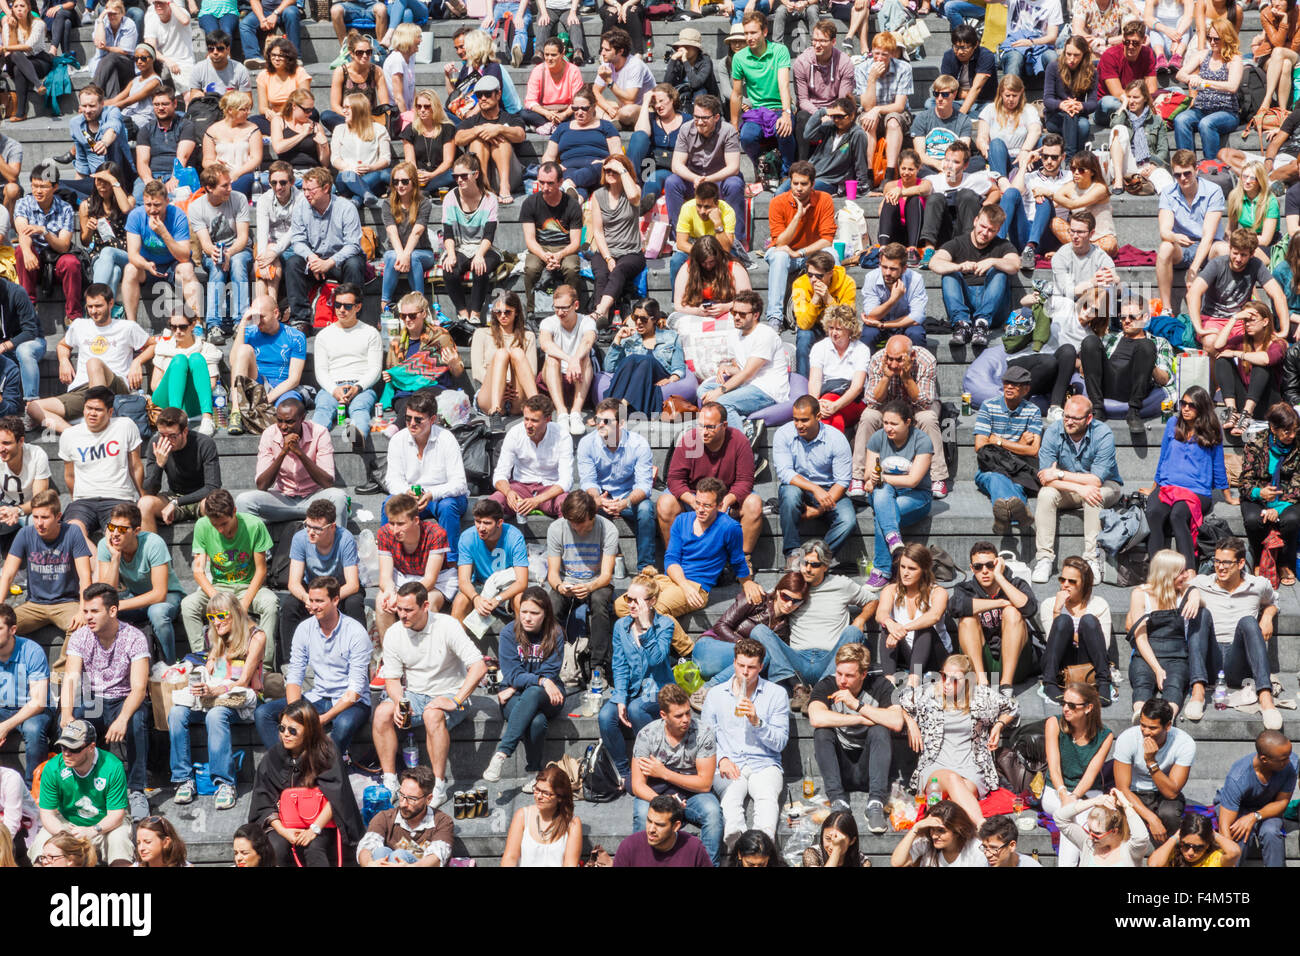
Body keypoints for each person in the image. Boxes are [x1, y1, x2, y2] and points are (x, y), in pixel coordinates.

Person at [373, 582, 486, 807]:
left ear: (425, 606)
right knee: (381, 712)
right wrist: (398, 701)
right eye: (399, 609)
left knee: (432, 715)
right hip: (415, 693)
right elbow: (392, 679)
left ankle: (438, 786)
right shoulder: (395, 633)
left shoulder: (447, 625)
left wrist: (456, 700)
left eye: (408, 610)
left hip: (451, 692)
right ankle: (390, 781)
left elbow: (479, 666)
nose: (402, 615)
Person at [59, 583, 150, 822]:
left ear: (112, 611)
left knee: (137, 720)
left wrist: (122, 719)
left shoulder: (134, 637)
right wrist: (67, 714)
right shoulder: (80, 636)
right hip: (94, 699)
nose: (87, 617)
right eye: (86, 611)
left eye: (94, 611)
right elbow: (70, 678)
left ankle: (137, 789)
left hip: (125, 698)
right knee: (74, 724)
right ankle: (82, 786)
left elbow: (140, 687)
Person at [255, 576, 370, 760]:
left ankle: (330, 768)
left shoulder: (356, 632)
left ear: (335, 600)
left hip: (351, 702)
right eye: (311, 600)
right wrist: (294, 711)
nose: (313, 606)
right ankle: (288, 765)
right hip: (317, 695)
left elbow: (355, 690)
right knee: (263, 713)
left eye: (320, 601)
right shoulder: (304, 628)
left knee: (343, 724)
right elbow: (295, 675)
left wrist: (324, 718)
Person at [168, 589, 264, 811]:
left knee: (216, 714)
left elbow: (245, 680)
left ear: (236, 613)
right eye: (212, 617)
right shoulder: (215, 635)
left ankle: (224, 783)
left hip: (241, 700)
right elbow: (210, 670)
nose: (216, 622)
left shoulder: (256, 637)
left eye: (221, 616)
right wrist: (203, 679)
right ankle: (183, 779)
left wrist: (216, 689)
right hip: (214, 697)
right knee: (177, 712)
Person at [900, 653, 1017, 828]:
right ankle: (980, 825)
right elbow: (902, 701)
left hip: (971, 766)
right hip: (936, 765)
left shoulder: (981, 697)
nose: (946, 683)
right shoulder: (929, 693)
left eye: (954, 680)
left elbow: (1012, 707)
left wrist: (999, 725)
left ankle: (943, 826)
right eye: (943, 676)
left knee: (956, 800)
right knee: (953, 779)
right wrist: (911, 723)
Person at [249, 698, 364, 868]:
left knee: (314, 847)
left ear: (308, 731)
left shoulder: (327, 754)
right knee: (274, 847)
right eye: (282, 728)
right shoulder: (272, 758)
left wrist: (313, 830)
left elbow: (337, 797)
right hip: (283, 824)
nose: (285, 734)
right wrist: (283, 831)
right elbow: (263, 802)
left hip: (321, 823)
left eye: (292, 730)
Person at [1183, 537, 1282, 728]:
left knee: (1248, 621)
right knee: (1201, 615)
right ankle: (1198, 692)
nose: (1220, 567)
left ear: (1241, 563)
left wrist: (1268, 616)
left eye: (1226, 562)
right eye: (1217, 561)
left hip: (1239, 661)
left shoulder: (1258, 584)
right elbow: (1175, 591)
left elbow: (1273, 601)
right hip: (1209, 659)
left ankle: (1266, 699)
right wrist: (1193, 594)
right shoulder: (1202, 583)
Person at [25, 285, 149, 436]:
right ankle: (73, 434)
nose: (93, 311)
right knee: (33, 408)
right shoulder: (79, 325)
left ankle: (99, 424)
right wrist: (64, 361)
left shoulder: (127, 327)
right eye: (89, 306)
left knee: (93, 362)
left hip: (115, 385)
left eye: (98, 306)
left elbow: (153, 345)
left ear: (110, 304)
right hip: (83, 389)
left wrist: (137, 362)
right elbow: (63, 344)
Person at [807, 642, 904, 833]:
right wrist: (861, 719)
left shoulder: (881, 685)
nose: (842, 680)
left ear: (863, 674)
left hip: (871, 767)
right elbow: (816, 718)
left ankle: (875, 803)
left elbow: (896, 722)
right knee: (822, 732)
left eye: (849, 675)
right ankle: (838, 801)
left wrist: (857, 705)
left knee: (880, 729)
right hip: (840, 768)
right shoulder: (827, 684)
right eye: (839, 673)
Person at [702, 637, 790, 842]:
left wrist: (757, 721)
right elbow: (706, 737)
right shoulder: (716, 694)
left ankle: (763, 845)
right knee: (731, 799)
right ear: (734, 663)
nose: (744, 672)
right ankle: (736, 845)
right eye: (740, 665)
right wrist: (721, 759)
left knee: (767, 798)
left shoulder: (776, 694)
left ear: (760, 667)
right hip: (729, 760)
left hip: (765, 762)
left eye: (751, 667)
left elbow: (780, 743)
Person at [628, 683, 723, 865]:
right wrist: (665, 803)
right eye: (679, 715)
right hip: (656, 791)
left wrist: (664, 773)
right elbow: (638, 785)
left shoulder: (703, 733)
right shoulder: (647, 736)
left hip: (692, 791)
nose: (686, 719)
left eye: (688, 712)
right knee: (642, 816)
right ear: (664, 715)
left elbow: (704, 783)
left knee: (713, 813)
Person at [1033, 394, 1123, 583]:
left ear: (1089, 418)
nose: (1069, 422)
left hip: (1107, 485)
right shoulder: (1053, 431)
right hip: (1069, 489)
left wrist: (1059, 475)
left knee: (1094, 495)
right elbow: (1044, 477)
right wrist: (1078, 488)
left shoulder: (1103, 433)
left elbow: (1096, 480)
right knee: (1046, 494)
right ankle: (1044, 559)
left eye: (1075, 418)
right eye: (1066, 416)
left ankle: (1091, 559)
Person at [181, 489, 278, 665]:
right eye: (215, 524)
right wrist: (217, 598)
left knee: (270, 604)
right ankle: (202, 658)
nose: (220, 529)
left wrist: (243, 604)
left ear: (234, 511)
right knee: (189, 605)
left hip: (247, 586)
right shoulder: (202, 526)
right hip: (218, 588)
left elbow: (261, 570)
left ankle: (265, 666)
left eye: (224, 523)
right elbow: (198, 571)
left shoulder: (253, 525)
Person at [600, 568, 677, 789]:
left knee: (636, 710)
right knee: (606, 716)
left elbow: (657, 659)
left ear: (651, 601)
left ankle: (656, 765)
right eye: (628, 598)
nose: (631, 604)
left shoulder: (665, 625)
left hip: (659, 689)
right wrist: (620, 697)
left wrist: (645, 627)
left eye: (637, 601)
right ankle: (624, 771)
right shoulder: (621, 626)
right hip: (632, 690)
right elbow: (620, 665)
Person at [659, 402, 764, 560]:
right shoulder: (690, 439)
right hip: (693, 496)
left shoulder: (739, 441)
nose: (704, 432)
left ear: (724, 425)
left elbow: (745, 481)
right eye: (701, 426)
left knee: (754, 504)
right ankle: (675, 559)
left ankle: (743, 559)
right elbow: (674, 480)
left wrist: (727, 501)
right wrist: (695, 501)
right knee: (665, 503)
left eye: (710, 427)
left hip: (726, 497)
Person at [483, 587, 566, 785]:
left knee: (536, 691)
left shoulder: (555, 633)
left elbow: (549, 673)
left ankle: (502, 752)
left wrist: (518, 685)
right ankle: (534, 772)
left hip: (550, 696)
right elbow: (512, 673)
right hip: (517, 698)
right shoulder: (508, 633)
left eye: (534, 613)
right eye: (524, 612)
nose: (527, 618)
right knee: (536, 721)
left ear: (545, 614)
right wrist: (539, 681)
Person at [851, 336, 949, 499]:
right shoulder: (877, 360)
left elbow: (924, 402)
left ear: (912, 357)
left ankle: (937, 478)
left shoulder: (926, 360)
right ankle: (858, 476)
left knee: (928, 418)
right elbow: (873, 401)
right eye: (890, 358)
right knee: (868, 416)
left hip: (916, 408)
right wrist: (886, 377)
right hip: (888, 408)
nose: (894, 364)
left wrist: (906, 377)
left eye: (898, 360)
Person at [27, 719, 133, 866]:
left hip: (104, 825)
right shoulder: (52, 768)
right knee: (42, 841)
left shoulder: (112, 766)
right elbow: (47, 814)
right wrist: (64, 834)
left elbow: (116, 814)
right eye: (63, 747)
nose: (67, 753)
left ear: (91, 747)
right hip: (67, 824)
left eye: (74, 749)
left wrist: (93, 830)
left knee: (118, 839)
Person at [1146, 385, 1230, 567]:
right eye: (1183, 403)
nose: (1185, 408)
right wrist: (1154, 487)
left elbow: (1218, 465)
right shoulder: (1172, 424)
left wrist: (1227, 496)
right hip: (1168, 486)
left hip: (1196, 490)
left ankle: (1189, 571)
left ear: (1201, 407)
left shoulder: (1213, 430)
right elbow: (1163, 458)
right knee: (1153, 512)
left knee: (1178, 515)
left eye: (1191, 405)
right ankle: (1156, 572)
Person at [234, 397, 349, 529]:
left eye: (289, 422)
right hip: (282, 499)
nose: (283, 427)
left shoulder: (320, 432)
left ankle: (338, 548)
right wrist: (283, 452)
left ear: (302, 418)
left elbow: (327, 482)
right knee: (243, 501)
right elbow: (262, 485)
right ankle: (260, 549)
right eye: (279, 421)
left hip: (315, 499)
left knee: (339, 497)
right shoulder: (269, 434)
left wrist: (299, 452)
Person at [95, 502, 183, 663]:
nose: (114, 533)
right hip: (135, 596)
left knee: (157, 614)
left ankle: (169, 667)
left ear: (136, 531)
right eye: (111, 527)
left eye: (122, 529)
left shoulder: (153, 543)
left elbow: (159, 594)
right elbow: (106, 592)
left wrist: (119, 606)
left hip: (167, 596)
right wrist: (115, 558)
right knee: (100, 613)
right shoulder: (105, 545)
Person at [691, 570, 808, 691]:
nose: (789, 604)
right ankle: (707, 689)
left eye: (796, 601)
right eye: (785, 597)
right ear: (778, 591)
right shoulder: (757, 598)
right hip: (710, 647)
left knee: (761, 659)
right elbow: (721, 625)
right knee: (761, 655)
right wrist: (744, 644)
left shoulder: (785, 627)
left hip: (735, 663)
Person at [282, 167, 366, 334]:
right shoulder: (300, 208)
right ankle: (300, 319)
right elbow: (297, 240)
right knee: (293, 263)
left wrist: (329, 263)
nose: (306, 194)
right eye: (303, 189)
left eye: (310, 190)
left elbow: (353, 245)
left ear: (326, 188)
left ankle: (351, 317)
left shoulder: (346, 207)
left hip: (339, 262)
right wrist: (311, 258)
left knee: (355, 263)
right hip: (314, 261)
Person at [695, 290, 790, 437]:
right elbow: (740, 369)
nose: (737, 317)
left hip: (767, 390)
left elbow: (748, 372)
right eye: (734, 312)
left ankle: (742, 444)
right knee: (704, 389)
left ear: (756, 315)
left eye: (742, 314)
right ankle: (743, 422)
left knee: (723, 401)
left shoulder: (765, 334)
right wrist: (727, 368)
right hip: (747, 386)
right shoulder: (735, 334)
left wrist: (720, 391)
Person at [56, 385, 143, 545]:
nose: (92, 413)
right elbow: (69, 475)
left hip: (119, 497)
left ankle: (103, 566)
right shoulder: (70, 435)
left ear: (110, 412)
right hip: (83, 500)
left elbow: (135, 466)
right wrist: (76, 499)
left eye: (98, 409)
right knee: (73, 533)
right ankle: (97, 565)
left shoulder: (125, 426)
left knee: (116, 537)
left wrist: (142, 497)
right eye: (89, 408)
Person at [0, 490, 91, 641]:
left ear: (58, 517)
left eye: (45, 517)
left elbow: (85, 577)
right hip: (34, 605)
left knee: (82, 628)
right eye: (35, 517)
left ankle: (63, 666)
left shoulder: (73, 532)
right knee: (3, 627)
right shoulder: (25, 533)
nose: (39, 523)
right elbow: (8, 575)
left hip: (66, 603)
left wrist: (82, 611)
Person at [949, 542, 1039, 693]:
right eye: (978, 567)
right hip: (982, 664)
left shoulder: (1015, 584)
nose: (984, 571)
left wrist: (999, 577)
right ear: (972, 569)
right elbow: (954, 607)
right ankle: (981, 684)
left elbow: (1029, 608)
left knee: (1012, 612)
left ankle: (1006, 685)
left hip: (1016, 665)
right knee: (967, 619)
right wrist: (1001, 602)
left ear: (997, 564)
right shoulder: (965, 589)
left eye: (990, 565)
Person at [773, 395, 854, 559]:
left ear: (818, 417)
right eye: (795, 420)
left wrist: (818, 510)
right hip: (799, 488)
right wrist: (814, 488)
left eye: (804, 420)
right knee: (789, 494)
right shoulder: (783, 434)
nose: (799, 425)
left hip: (830, 490)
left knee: (847, 520)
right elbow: (784, 472)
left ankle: (817, 559)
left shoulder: (836, 439)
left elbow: (842, 481)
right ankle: (793, 554)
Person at [666, 94, 748, 255]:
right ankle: (679, 240)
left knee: (734, 183)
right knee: (671, 182)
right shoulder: (686, 128)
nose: (699, 122)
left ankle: (736, 242)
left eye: (705, 118)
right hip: (694, 178)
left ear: (716, 117)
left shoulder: (728, 131)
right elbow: (676, 165)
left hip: (719, 179)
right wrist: (695, 178)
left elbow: (733, 167)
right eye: (696, 117)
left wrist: (708, 180)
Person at [282, 499, 365, 658]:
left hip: (340, 588)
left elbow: (353, 584)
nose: (311, 532)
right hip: (313, 588)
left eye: (317, 529)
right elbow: (293, 583)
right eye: (308, 525)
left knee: (355, 603)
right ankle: (289, 662)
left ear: (332, 527)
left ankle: (360, 658)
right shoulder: (300, 538)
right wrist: (308, 599)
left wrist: (326, 601)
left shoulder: (345, 539)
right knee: (289, 606)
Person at [930, 203, 1020, 347]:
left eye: (991, 230)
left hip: (993, 309)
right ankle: (962, 324)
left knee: (999, 271)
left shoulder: (1003, 245)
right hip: (965, 303)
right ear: (975, 221)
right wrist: (959, 266)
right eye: (983, 226)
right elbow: (934, 263)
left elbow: (1015, 265)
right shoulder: (958, 243)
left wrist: (993, 261)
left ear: (998, 230)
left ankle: (981, 324)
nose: (985, 233)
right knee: (949, 273)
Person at [545, 490, 615, 671]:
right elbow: (552, 574)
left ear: (592, 516)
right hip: (567, 581)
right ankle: (553, 659)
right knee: (551, 603)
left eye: (581, 524)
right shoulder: (557, 528)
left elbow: (606, 575)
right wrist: (560, 586)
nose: (576, 528)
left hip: (596, 582)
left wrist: (589, 586)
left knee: (600, 603)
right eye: (572, 523)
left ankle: (598, 664)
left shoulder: (607, 529)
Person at [1081, 294, 1175, 428]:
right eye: (1123, 317)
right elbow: (1087, 370)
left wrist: (1148, 364)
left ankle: (1134, 411)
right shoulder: (1109, 339)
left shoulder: (1159, 343)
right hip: (1107, 383)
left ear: (1145, 317)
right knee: (1090, 341)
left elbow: (1165, 379)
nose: (1126, 321)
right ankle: (1097, 408)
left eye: (1132, 317)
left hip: (1134, 386)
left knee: (1146, 345)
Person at [1187, 230, 1290, 350]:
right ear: (1230, 249)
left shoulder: (1256, 265)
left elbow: (1278, 295)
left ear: (1251, 254)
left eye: (1243, 255)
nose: (1238, 259)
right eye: (1235, 253)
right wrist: (1199, 328)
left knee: (1277, 344)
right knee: (1211, 342)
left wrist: (1284, 331)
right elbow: (1193, 294)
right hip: (1214, 319)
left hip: (1241, 319)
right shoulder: (1217, 264)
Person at [1112, 698, 1196, 845]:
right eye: (1142, 725)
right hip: (1133, 793)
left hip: (1163, 794)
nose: (1146, 732)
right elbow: (1122, 788)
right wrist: (1152, 818)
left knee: (1169, 814)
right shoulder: (1127, 738)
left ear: (1168, 726)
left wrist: (1151, 762)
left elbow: (1171, 792)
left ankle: (1170, 856)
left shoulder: (1184, 743)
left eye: (1152, 728)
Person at [972, 364, 1044, 534]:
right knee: (998, 478)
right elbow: (980, 446)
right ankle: (1019, 514)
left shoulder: (1033, 411)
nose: (1009, 387)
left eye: (1016, 384)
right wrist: (1019, 443)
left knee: (1015, 482)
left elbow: (1034, 451)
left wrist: (998, 441)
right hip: (989, 467)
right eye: (1006, 383)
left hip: (1018, 470)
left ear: (1026, 389)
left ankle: (1003, 520)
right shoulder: (988, 406)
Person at [763, 162, 836, 329]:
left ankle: (832, 311)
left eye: (804, 184)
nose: (799, 188)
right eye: (795, 183)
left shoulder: (824, 199)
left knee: (832, 253)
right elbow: (780, 243)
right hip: (785, 253)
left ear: (812, 184)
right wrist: (798, 216)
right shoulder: (778, 202)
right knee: (779, 255)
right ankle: (775, 317)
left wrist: (801, 252)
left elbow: (827, 239)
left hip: (810, 254)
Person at [120, 177, 202, 325]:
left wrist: (164, 232)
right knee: (130, 269)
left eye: (157, 204)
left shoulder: (178, 215)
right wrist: (146, 265)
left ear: (167, 201)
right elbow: (133, 255)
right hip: (147, 266)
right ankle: (131, 326)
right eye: (148, 204)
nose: (152, 210)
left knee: (187, 268)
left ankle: (197, 324)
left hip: (173, 265)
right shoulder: (136, 216)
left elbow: (184, 256)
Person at [310, 283, 383, 442]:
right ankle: (313, 443)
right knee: (323, 408)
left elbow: (375, 369)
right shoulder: (323, 335)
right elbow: (321, 371)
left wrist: (357, 387)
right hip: (332, 386)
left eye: (347, 306)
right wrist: (334, 389)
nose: (341, 309)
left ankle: (356, 437)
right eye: (338, 305)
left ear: (358, 307)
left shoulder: (370, 333)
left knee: (360, 408)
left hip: (361, 386)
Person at [1156, 151, 1227, 312]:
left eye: (1187, 173)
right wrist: (1174, 236)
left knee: (1224, 250)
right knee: (1165, 247)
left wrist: (1193, 270)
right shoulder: (1168, 192)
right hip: (1183, 245)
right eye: (1177, 175)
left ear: (1196, 170)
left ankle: (1221, 306)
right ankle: (1167, 308)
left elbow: (1208, 236)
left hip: (1209, 246)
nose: (1182, 178)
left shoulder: (1213, 190)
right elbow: (1164, 232)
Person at [1127, 549, 1193, 721]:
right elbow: (1140, 637)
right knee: (1142, 682)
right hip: (1146, 652)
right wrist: (1157, 669)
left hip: (1177, 655)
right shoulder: (1140, 594)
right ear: (1167, 574)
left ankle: (1167, 718)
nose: (1186, 575)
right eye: (1181, 572)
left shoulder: (1185, 592)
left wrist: (1194, 594)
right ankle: (1140, 716)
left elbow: (1196, 591)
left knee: (1175, 684)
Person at [377, 294, 464, 423]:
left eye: (412, 315)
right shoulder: (396, 342)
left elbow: (457, 372)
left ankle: (395, 428)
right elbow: (395, 375)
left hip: (435, 390)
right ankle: (397, 428)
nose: (407, 319)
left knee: (422, 397)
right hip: (404, 394)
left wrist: (454, 363)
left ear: (423, 313)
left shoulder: (440, 336)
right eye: (403, 316)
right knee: (411, 404)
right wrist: (389, 376)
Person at [1215, 729, 1296, 867]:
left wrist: (1254, 816)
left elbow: (1282, 803)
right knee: (1239, 833)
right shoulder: (1238, 777)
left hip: (1268, 808)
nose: (1289, 761)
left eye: (1289, 755)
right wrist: (1231, 857)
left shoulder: (1291, 763)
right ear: (1264, 759)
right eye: (1283, 759)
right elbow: (1225, 828)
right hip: (1237, 807)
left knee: (1271, 832)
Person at [1239, 403, 1300, 583]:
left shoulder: (1298, 445)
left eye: (1295, 430)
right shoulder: (1256, 443)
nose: (1292, 435)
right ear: (1273, 428)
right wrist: (1260, 493)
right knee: (1252, 519)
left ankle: (1284, 562)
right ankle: (1259, 558)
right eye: (1287, 432)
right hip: (1259, 495)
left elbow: (1298, 483)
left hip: (1287, 497)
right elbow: (1245, 482)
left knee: (1291, 520)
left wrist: (1277, 506)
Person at [730, 11, 795, 181]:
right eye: (746, 33)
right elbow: (736, 94)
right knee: (747, 137)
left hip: (780, 108)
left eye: (753, 32)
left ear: (764, 32)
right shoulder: (739, 57)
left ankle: (786, 174)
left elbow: (783, 85)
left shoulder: (779, 50)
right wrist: (734, 124)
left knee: (784, 130)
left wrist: (787, 113)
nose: (749, 37)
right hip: (757, 111)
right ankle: (762, 169)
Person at [439, 153, 502, 326]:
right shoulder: (451, 198)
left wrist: (480, 254)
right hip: (460, 247)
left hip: (484, 247)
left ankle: (475, 314)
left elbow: (489, 234)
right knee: (449, 269)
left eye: (463, 176)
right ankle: (462, 314)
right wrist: (450, 254)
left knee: (480, 267)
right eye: (455, 176)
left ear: (475, 174)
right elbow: (448, 232)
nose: (459, 180)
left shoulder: (490, 199)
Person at [1039, 557, 1114, 703]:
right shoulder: (1049, 604)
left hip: (1088, 661)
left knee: (1089, 620)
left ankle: (1104, 683)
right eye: (1062, 579)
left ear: (1084, 584)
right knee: (1062, 621)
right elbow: (1052, 643)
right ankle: (1049, 683)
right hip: (1061, 663)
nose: (1065, 585)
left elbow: (1102, 645)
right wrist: (1057, 611)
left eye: (1072, 581)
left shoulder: (1099, 604)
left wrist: (1080, 633)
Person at [490, 393, 573, 521]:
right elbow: (500, 474)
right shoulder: (515, 433)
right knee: (491, 505)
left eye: (534, 420)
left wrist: (537, 500)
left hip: (550, 489)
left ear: (548, 419)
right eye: (526, 419)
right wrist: (508, 493)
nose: (528, 425)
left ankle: (565, 540)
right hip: (519, 487)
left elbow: (566, 481)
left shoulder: (562, 436)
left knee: (569, 506)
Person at [138, 405, 220, 534]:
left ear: (185, 431)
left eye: (172, 436)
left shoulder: (204, 443)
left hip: (201, 498)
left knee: (214, 504)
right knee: (144, 503)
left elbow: (213, 487)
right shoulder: (156, 444)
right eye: (162, 435)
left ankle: (214, 553)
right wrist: (159, 465)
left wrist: (177, 502)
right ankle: (152, 552)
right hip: (173, 495)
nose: (167, 440)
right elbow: (149, 490)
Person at [915, 140, 999, 264]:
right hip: (943, 229)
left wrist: (986, 205)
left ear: (965, 166)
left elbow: (995, 191)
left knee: (967, 194)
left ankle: (968, 249)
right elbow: (922, 187)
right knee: (935, 197)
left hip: (964, 229)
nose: (950, 165)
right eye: (947, 160)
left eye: (955, 162)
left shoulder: (973, 179)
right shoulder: (934, 180)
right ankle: (929, 251)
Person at [452, 497, 531, 628]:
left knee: (520, 599)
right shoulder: (467, 537)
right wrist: (476, 598)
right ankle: (453, 646)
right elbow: (463, 581)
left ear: (499, 522)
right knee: (460, 600)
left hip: (507, 587)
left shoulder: (514, 536)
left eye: (487, 523)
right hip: (480, 585)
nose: (481, 528)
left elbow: (522, 582)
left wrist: (497, 599)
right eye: (477, 522)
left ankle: (523, 645)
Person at [1173, 18, 1243, 163]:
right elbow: (1180, 74)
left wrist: (1204, 83)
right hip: (1202, 108)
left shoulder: (1234, 59)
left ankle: (1211, 167)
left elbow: (1232, 86)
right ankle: (1186, 165)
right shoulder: (1203, 55)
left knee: (1207, 123)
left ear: (1226, 38)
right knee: (1181, 120)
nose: (1211, 42)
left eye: (1216, 39)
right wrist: (1191, 78)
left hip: (1227, 112)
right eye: (1209, 38)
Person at [875, 542, 948, 680]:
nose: (905, 573)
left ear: (924, 570)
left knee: (924, 627)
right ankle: (889, 682)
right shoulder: (890, 590)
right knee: (887, 626)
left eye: (912, 569)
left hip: (935, 656)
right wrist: (891, 624)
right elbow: (881, 613)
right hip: (908, 654)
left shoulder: (938, 592)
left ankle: (913, 683)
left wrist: (903, 629)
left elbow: (934, 616)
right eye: (902, 567)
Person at [357, 766, 456, 867]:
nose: (403, 804)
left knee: (399, 855)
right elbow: (366, 846)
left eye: (412, 799)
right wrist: (370, 864)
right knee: (380, 852)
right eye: (402, 795)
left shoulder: (442, 821)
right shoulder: (384, 817)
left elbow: (437, 856)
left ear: (428, 799)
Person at [603, 301, 687, 419]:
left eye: (643, 319)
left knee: (647, 361)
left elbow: (679, 368)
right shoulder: (629, 339)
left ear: (654, 319)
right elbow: (609, 368)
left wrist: (671, 378)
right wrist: (617, 339)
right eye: (635, 317)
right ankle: (621, 406)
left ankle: (614, 409)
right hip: (638, 382)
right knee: (631, 359)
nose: (638, 322)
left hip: (658, 375)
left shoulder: (672, 337)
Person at [520, 161, 582, 317]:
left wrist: (559, 255)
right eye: (541, 182)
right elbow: (530, 240)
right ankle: (532, 311)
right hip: (540, 247)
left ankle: (572, 309)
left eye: (550, 183)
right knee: (531, 268)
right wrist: (545, 256)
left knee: (571, 268)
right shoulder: (530, 203)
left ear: (560, 182)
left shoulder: (572, 205)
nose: (545, 187)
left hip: (565, 247)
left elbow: (575, 243)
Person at [1213, 305, 1287, 437]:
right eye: (1245, 321)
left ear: (1265, 321)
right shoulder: (1243, 341)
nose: (1248, 324)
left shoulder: (1279, 343)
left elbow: (1266, 359)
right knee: (1222, 360)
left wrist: (1236, 353)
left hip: (1268, 403)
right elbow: (1218, 346)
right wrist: (1234, 318)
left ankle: (1247, 415)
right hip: (1246, 398)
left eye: (1252, 320)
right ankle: (1232, 411)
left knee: (1260, 365)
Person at [588, 154, 644, 326]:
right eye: (608, 170)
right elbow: (598, 232)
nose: (611, 173)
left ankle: (599, 312)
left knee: (619, 271)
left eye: (615, 170)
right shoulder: (598, 195)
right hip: (606, 249)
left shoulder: (633, 190)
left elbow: (634, 196)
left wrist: (621, 168)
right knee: (602, 275)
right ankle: (602, 320)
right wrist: (608, 258)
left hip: (631, 251)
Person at [0, 603, 53, 786]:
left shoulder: (31, 651)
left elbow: (38, 702)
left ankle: (34, 789)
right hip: (2, 708)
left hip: (33, 709)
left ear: (12, 629)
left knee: (33, 730)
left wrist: (5, 726)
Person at [453, 75, 526, 206]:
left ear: (498, 95)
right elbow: (458, 139)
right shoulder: (472, 121)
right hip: (477, 178)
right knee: (477, 142)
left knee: (502, 141)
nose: (483, 98)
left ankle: (504, 188)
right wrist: (478, 131)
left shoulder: (510, 118)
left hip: (507, 177)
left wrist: (499, 129)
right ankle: (483, 186)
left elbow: (520, 135)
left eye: (487, 94)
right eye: (479, 95)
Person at [540, 85, 622, 199]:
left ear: (593, 107)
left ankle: (567, 184)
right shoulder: (563, 128)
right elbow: (548, 155)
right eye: (575, 108)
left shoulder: (606, 126)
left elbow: (617, 154)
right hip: (569, 168)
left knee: (598, 168)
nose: (579, 112)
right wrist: (554, 166)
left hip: (598, 169)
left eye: (584, 108)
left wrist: (604, 161)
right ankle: (577, 200)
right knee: (574, 184)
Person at [791, 19, 854, 160]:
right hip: (811, 110)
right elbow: (802, 100)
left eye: (823, 41)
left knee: (847, 118)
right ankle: (803, 164)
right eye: (814, 40)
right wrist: (821, 114)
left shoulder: (844, 62)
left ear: (833, 42)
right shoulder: (802, 62)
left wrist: (831, 114)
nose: (817, 45)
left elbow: (843, 101)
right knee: (801, 117)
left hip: (836, 109)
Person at [470, 289, 538, 417]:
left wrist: (510, 385)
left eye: (507, 312)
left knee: (517, 352)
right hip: (489, 394)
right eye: (498, 312)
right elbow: (477, 371)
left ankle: (538, 405)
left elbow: (532, 372)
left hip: (517, 393)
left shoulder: (528, 336)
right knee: (501, 354)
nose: (502, 316)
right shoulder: (481, 334)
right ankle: (496, 410)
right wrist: (502, 385)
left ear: (516, 312)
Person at [538, 286, 596, 434]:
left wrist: (576, 359)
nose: (559, 312)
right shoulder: (548, 322)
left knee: (584, 357)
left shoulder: (587, 321)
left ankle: (576, 413)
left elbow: (588, 341)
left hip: (580, 378)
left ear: (575, 305)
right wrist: (570, 360)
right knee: (552, 358)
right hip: (553, 376)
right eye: (556, 308)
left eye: (564, 308)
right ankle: (562, 413)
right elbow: (545, 344)